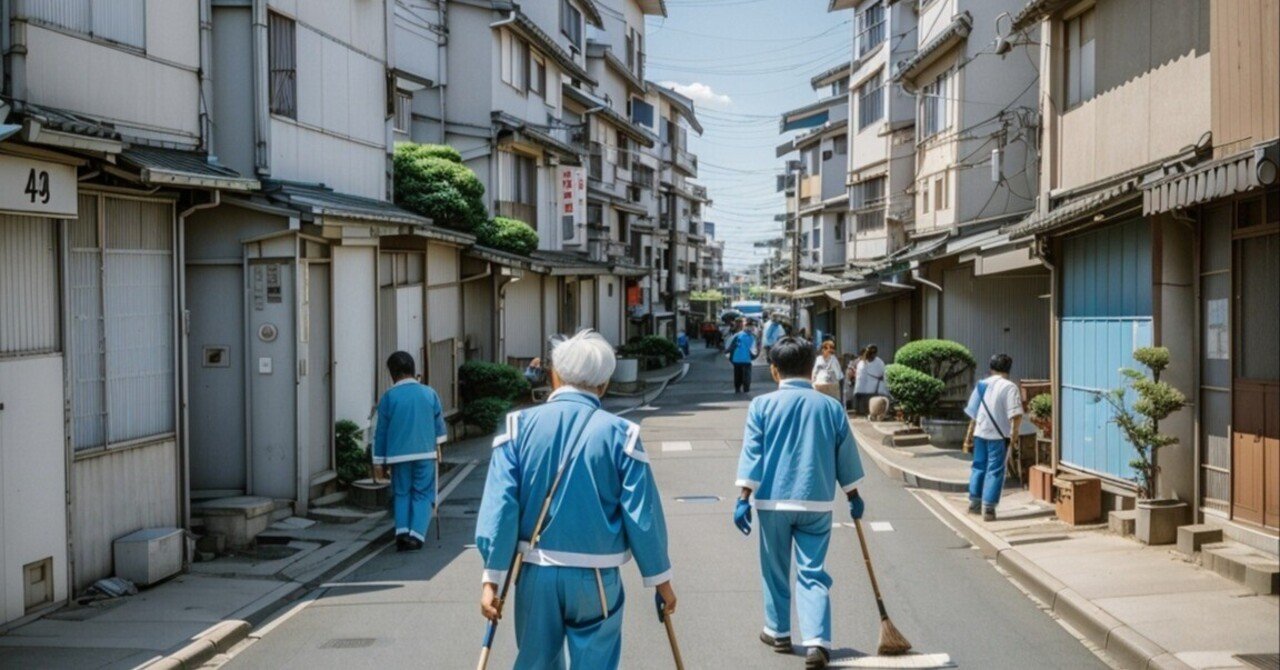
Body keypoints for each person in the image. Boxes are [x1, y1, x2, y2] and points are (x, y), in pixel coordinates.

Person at [475, 330, 676, 670]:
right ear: (604, 383)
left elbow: (501, 508)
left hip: (536, 571)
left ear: (555, 374)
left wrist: (491, 578)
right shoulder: (622, 435)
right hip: (596, 575)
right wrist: (661, 582)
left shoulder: (516, 428)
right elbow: (643, 517)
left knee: (536, 662)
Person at [733, 337, 866, 670]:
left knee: (774, 569)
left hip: (772, 501)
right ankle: (817, 640)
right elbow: (845, 455)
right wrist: (853, 494)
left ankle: (778, 632)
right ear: (812, 369)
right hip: (816, 501)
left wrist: (743, 498)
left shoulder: (761, 406)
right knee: (812, 572)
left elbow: (753, 452)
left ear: (775, 371)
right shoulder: (831, 407)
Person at [373, 351, 447, 552]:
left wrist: (378, 461)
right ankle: (416, 535)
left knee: (401, 492)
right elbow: (440, 428)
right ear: (413, 370)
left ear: (392, 373)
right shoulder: (429, 393)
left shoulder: (388, 397)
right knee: (422, 492)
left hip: (398, 455)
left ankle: (402, 533)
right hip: (425, 452)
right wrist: (439, 446)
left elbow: (381, 432)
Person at [962, 354, 1024, 522]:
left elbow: (972, 413)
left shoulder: (981, 385)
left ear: (991, 368)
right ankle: (988, 509)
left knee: (978, 467)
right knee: (995, 470)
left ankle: (974, 503)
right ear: (1008, 370)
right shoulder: (1010, 387)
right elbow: (1016, 415)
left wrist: (968, 436)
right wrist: (1014, 436)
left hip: (980, 433)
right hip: (999, 435)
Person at [850, 345, 888, 416]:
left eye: (874, 353)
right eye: (871, 353)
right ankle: (862, 413)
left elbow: (883, 375)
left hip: (874, 390)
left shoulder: (879, 362)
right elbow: (859, 376)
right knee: (863, 407)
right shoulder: (861, 363)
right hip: (862, 390)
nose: (872, 355)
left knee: (873, 406)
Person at [725, 318, 759, 394]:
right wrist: (754, 356)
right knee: (746, 375)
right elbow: (755, 349)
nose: (750, 328)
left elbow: (729, 347)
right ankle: (746, 389)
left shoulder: (737, 335)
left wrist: (728, 355)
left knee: (737, 374)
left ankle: (737, 388)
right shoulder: (752, 337)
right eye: (749, 326)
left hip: (736, 359)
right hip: (746, 360)